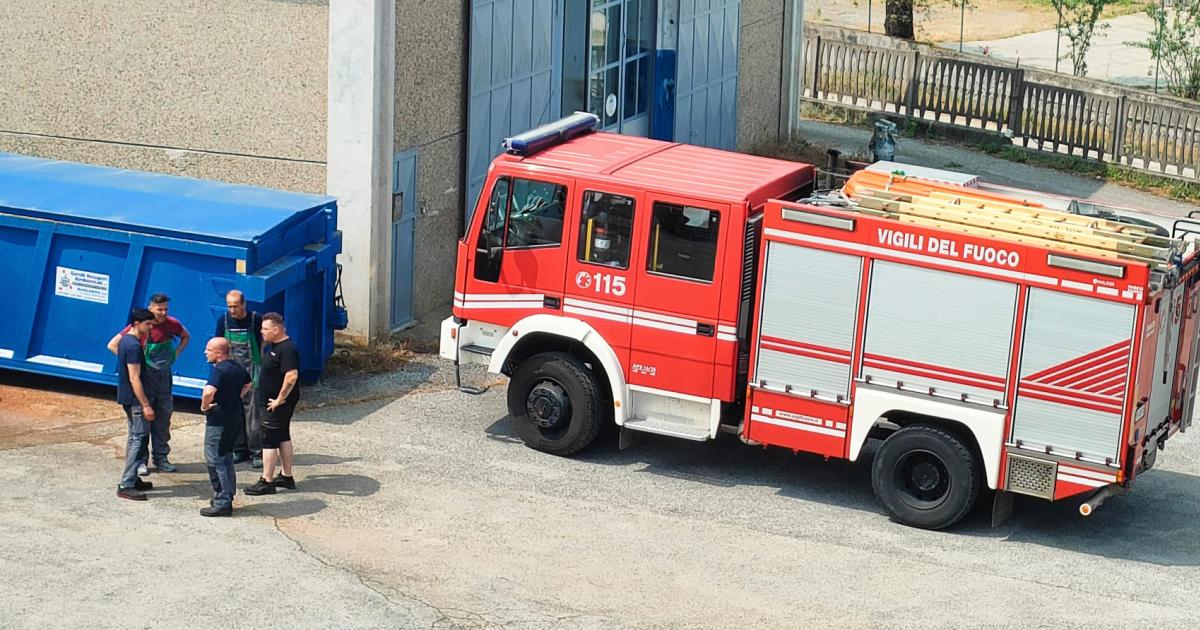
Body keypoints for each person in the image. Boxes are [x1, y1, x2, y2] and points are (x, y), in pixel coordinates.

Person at [107, 293, 190, 475]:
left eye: (166, 309)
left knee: (163, 420)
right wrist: (134, 362)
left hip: (164, 380)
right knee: (141, 425)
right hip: (145, 381)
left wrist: (176, 354)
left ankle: (161, 458)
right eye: (160, 309)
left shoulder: (172, 324)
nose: (163, 313)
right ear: (151, 308)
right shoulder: (140, 328)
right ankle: (140, 462)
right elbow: (113, 345)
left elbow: (186, 336)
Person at [245, 312, 300, 495]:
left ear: (277, 329)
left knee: (268, 440)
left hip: (274, 405)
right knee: (283, 436)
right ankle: (286, 476)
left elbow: (291, 375)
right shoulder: (275, 346)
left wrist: (280, 399)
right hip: (274, 403)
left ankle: (266, 481)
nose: (262, 332)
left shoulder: (287, 349)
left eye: (266, 329)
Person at [199, 337, 251, 517]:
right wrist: (236, 396)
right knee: (227, 457)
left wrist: (205, 406)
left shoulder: (218, 370)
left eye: (208, 349)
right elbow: (248, 383)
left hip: (218, 421)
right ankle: (228, 494)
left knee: (215, 460)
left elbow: (209, 391)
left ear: (219, 353)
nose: (205, 352)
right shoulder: (237, 366)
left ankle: (222, 501)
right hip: (234, 418)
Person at [214, 290, 264, 469]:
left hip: (253, 370)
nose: (232, 310)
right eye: (229, 306)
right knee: (234, 411)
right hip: (233, 372)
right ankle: (239, 449)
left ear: (244, 304)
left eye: (235, 306)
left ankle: (256, 452)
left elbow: (265, 340)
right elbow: (218, 344)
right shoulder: (224, 321)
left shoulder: (255, 320)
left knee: (253, 414)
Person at [115, 309, 158, 501]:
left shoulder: (125, 340)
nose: (151, 328)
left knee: (134, 437)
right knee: (138, 439)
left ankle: (132, 479)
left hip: (128, 398)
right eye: (148, 324)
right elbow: (134, 378)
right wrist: (145, 405)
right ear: (137, 323)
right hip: (135, 401)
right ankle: (126, 484)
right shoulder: (133, 346)